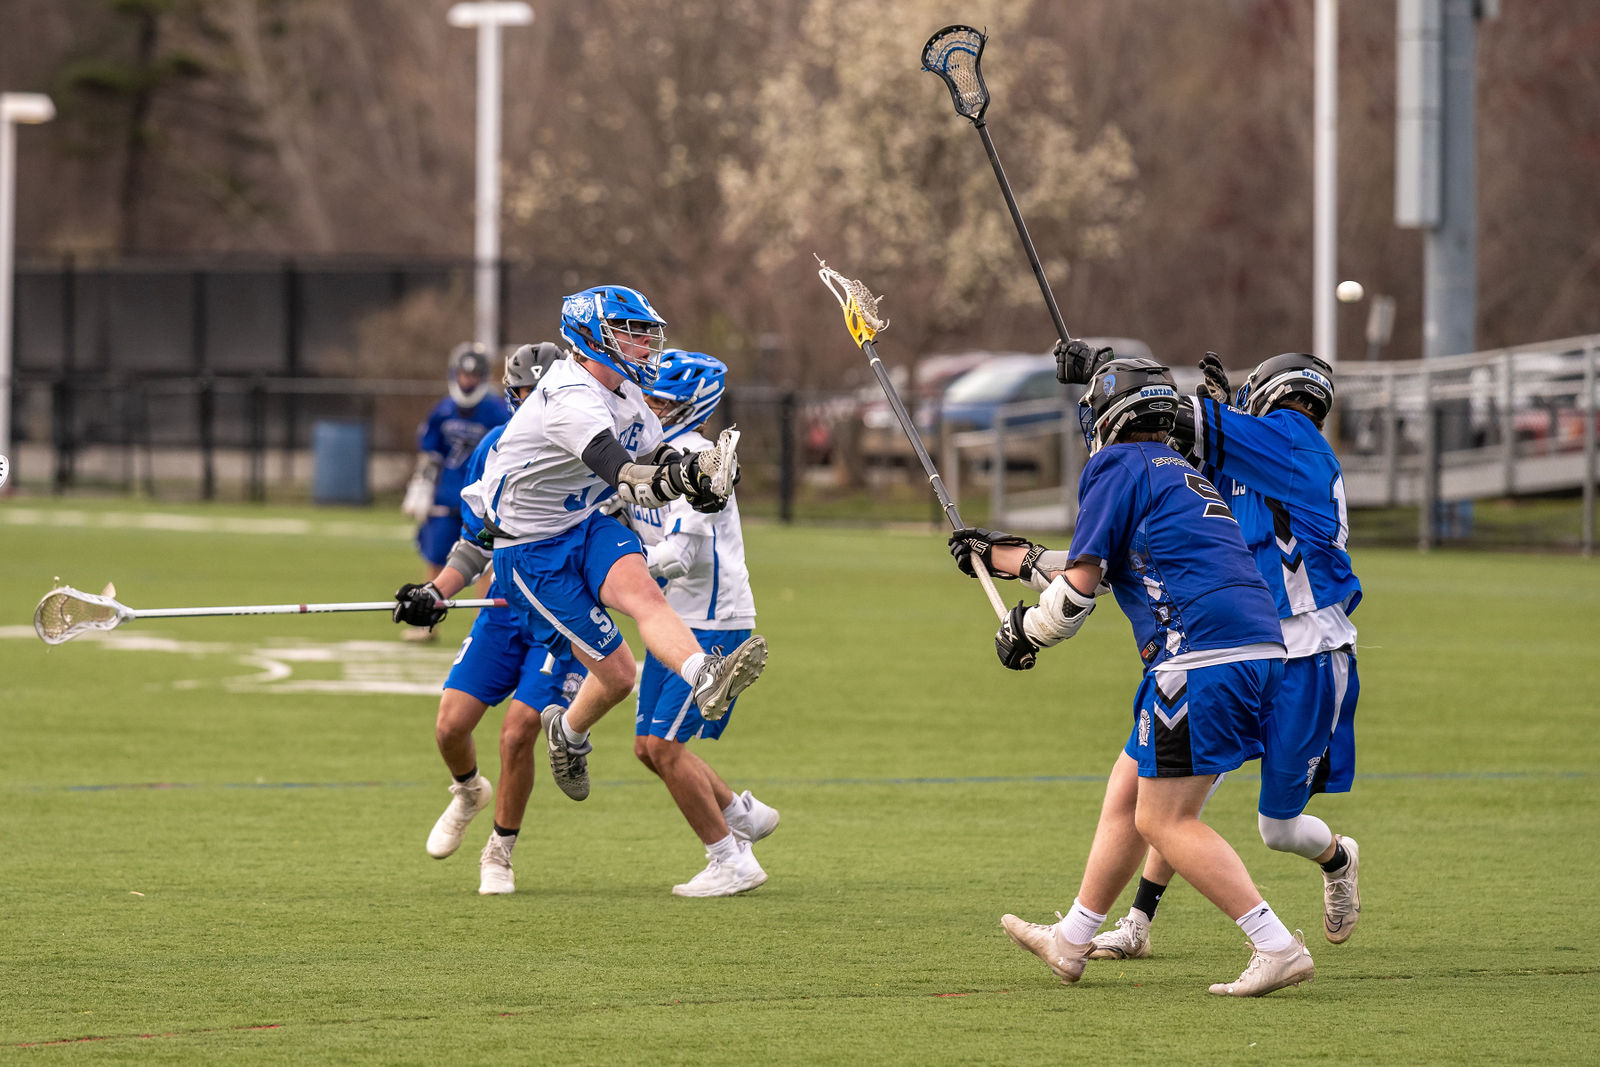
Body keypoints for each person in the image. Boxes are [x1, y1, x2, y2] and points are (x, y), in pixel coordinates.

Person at [949, 356, 1314, 998]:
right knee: (1129, 791)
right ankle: (1072, 938)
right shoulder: (1181, 472)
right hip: (1253, 650)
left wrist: (1024, 631)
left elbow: (1075, 601)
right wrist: (1010, 557)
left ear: (1107, 416)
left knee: (1166, 823)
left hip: (1195, 655)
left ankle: (1275, 944)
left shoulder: (1113, 466)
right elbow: (1118, 561)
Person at [1088, 351, 1362, 961]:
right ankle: (1137, 922)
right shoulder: (1245, 465)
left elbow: (1160, 412)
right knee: (1178, 791)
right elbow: (1173, 456)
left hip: (1308, 654)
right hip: (1242, 649)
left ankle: (1338, 858)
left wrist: (1106, 377)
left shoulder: (1295, 442)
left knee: (1279, 829)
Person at [459, 285, 768, 814]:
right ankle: (569, 736)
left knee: (648, 596)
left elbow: (654, 465)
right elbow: (624, 474)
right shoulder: (568, 395)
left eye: (648, 334)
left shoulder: (626, 395)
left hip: (582, 523)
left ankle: (704, 676)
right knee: (620, 676)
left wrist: (710, 474)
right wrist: (686, 475)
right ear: (594, 338)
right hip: (530, 548)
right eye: (634, 334)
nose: (647, 346)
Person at [394, 342, 582, 895]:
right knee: (451, 725)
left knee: (518, 732)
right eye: (527, 396)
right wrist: (435, 592)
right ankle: (468, 790)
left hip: (565, 620)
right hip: (504, 613)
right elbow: (476, 540)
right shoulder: (496, 450)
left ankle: (500, 850)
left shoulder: (594, 454)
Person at [605, 349, 779, 897]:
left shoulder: (702, 459)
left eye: (663, 400)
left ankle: (731, 859)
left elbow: (681, 555)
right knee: (646, 747)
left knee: (664, 748)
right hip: (673, 618)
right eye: (649, 394)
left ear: (692, 406)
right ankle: (740, 813)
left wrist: (615, 578)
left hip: (711, 618)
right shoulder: (649, 453)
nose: (650, 406)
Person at [400, 342, 513, 642]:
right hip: (446, 496)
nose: (467, 381)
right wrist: (420, 486)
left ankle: (483, 629)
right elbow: (430, 454)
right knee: (436, 556)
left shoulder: (496, 411)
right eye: (464, 374)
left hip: (482, 498)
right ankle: (427, 622)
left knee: (485, 560)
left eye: (474, 375)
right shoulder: (443, 410)